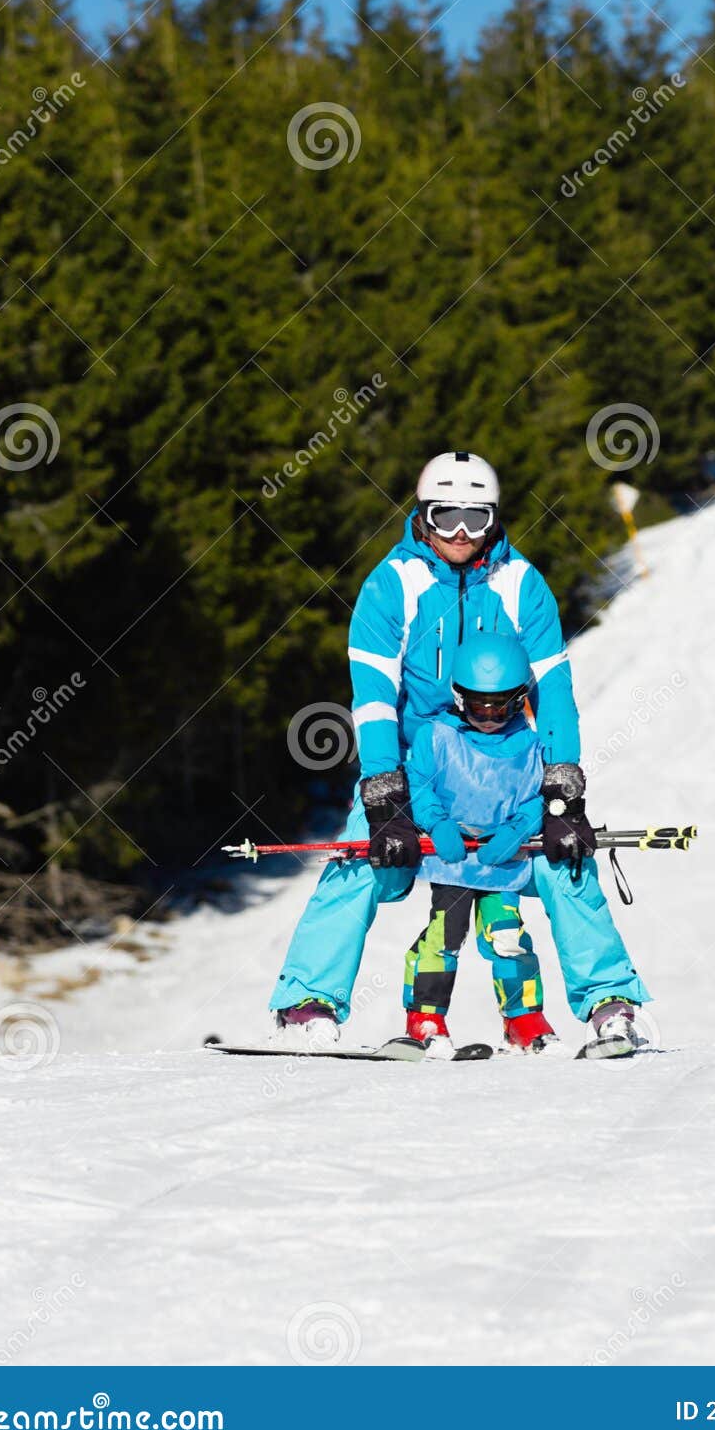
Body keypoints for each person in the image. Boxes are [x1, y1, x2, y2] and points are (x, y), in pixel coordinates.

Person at [268, 450, 649, 1051]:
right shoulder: (393, 585)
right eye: (447, 517)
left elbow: (554, 692)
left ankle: (609, 1003)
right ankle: (306, 1003)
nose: (462, 533)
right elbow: (374, 698)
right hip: (419, 770)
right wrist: (385, 794)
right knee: (357, 860)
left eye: (477, 518)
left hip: (504, 766)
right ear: (423, 515)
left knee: (566, 861)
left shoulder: (521, 584)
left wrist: (561, 792)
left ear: (495, 518)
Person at [403, 632, 560, 1055]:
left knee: (506, 936)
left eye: (500, 707)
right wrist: (436, 824)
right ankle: (425, 1018)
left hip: (501, 860)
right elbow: (418, 783)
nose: (489, 717)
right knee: (445, 934)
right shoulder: (436, 736)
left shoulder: (527, 744)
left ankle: (523, 1020)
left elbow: (536, 797)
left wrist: (518, 830)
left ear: (519, 700)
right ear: (459, 697)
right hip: (451, 859)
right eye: (478, 706)